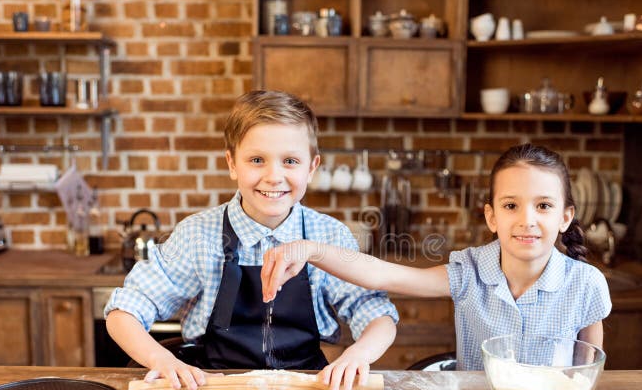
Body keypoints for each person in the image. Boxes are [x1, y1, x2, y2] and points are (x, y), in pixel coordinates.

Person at [105, 90, 398, 390]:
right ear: (232, 164)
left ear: (311, 167)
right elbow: (122, 312)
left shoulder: (329, 236)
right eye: (257, 160)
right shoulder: (197, 236)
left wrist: (358, 354)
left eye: (290, 161)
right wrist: (161, 359)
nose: (273, 176)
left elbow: (378, 314)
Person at [262, 143, 611, 370]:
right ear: (492, 216)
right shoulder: (470, 271)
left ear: (565, 217)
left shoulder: (586, 284)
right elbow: (383, 275)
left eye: (544, 206)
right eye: (511, 205)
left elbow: (585, 375)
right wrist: (310, 249)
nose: (527, 220)